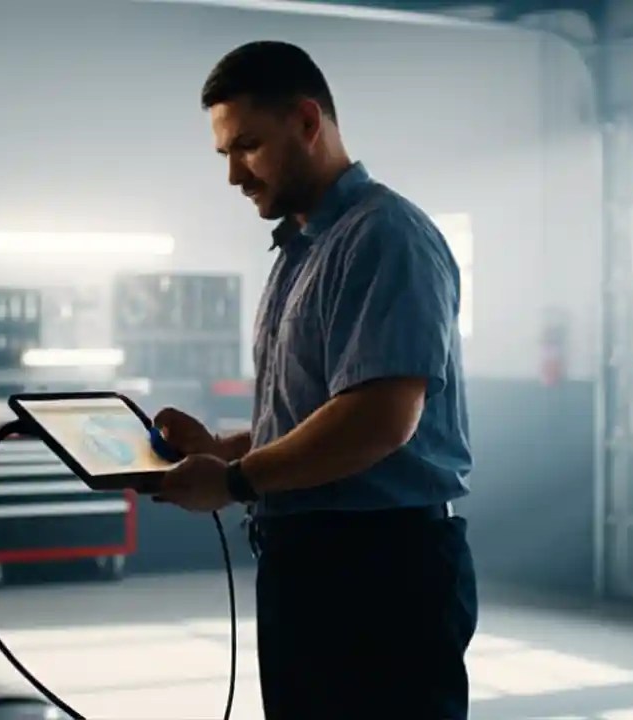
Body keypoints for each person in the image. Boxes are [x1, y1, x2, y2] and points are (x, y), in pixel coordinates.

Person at [152, 40, 478, 719]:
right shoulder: (301, 251)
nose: (236, 175)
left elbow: (378, 420)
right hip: (310, 565)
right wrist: (223, 446)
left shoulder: (386, 235)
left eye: (248, 146)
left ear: (307, 121)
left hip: (382, 577)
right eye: (225, 155)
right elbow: (311, 417)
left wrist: (233, 483)